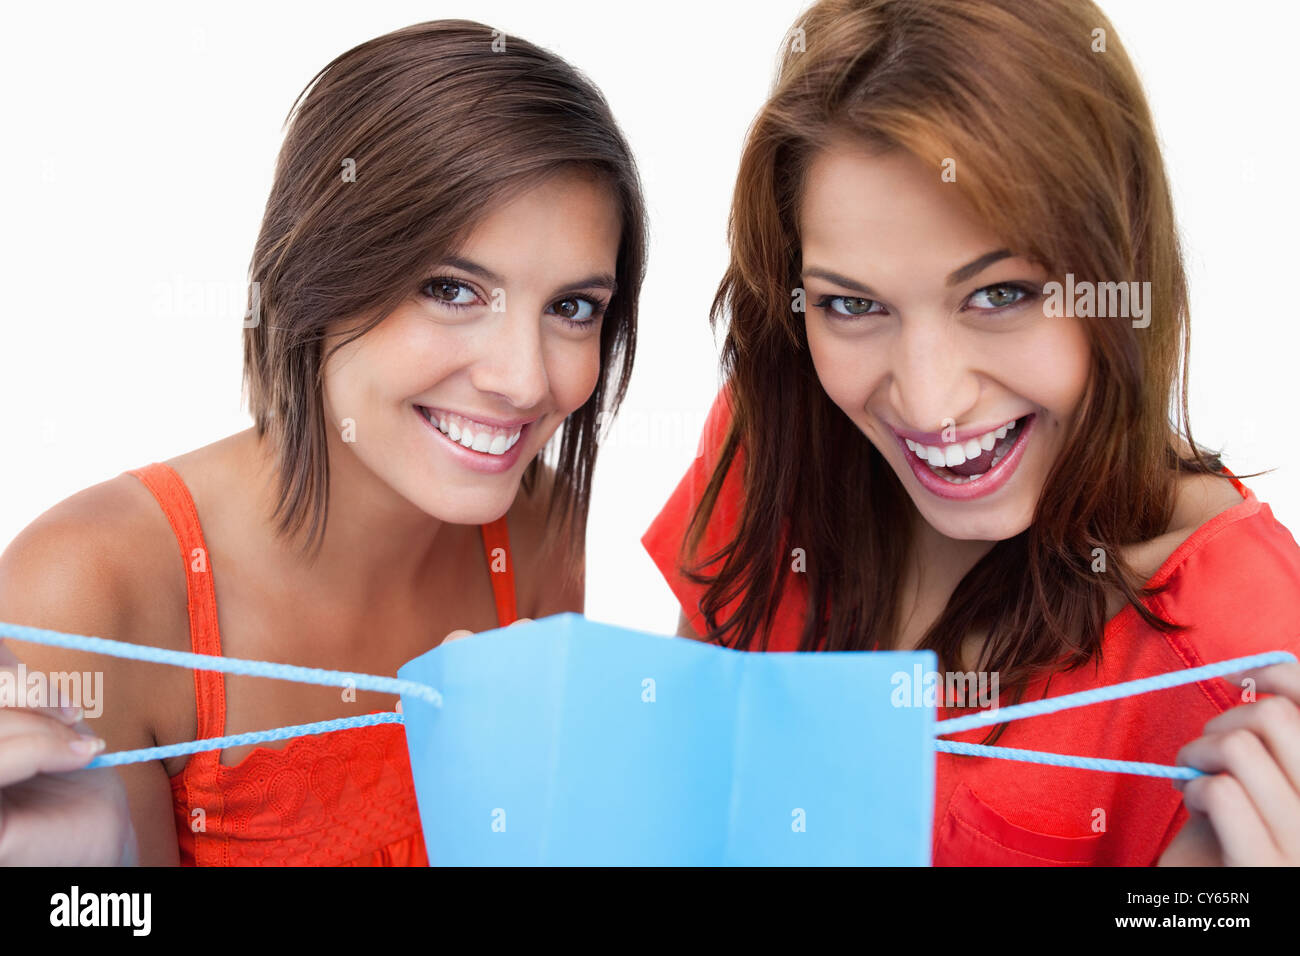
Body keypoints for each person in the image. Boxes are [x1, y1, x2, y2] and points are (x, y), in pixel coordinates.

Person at [642, 0, 1300, 866]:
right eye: (852, 304)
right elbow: (676, 802)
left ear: (1119, 268)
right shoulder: (776, 439)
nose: (928, 402)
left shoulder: (1246, 655)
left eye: (1000, 294)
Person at [0, 19, 647, 865]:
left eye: (572, 307)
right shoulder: (87, 591)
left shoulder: (536, 526)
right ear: (314, 281)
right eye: (452, 289)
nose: (526, 382)